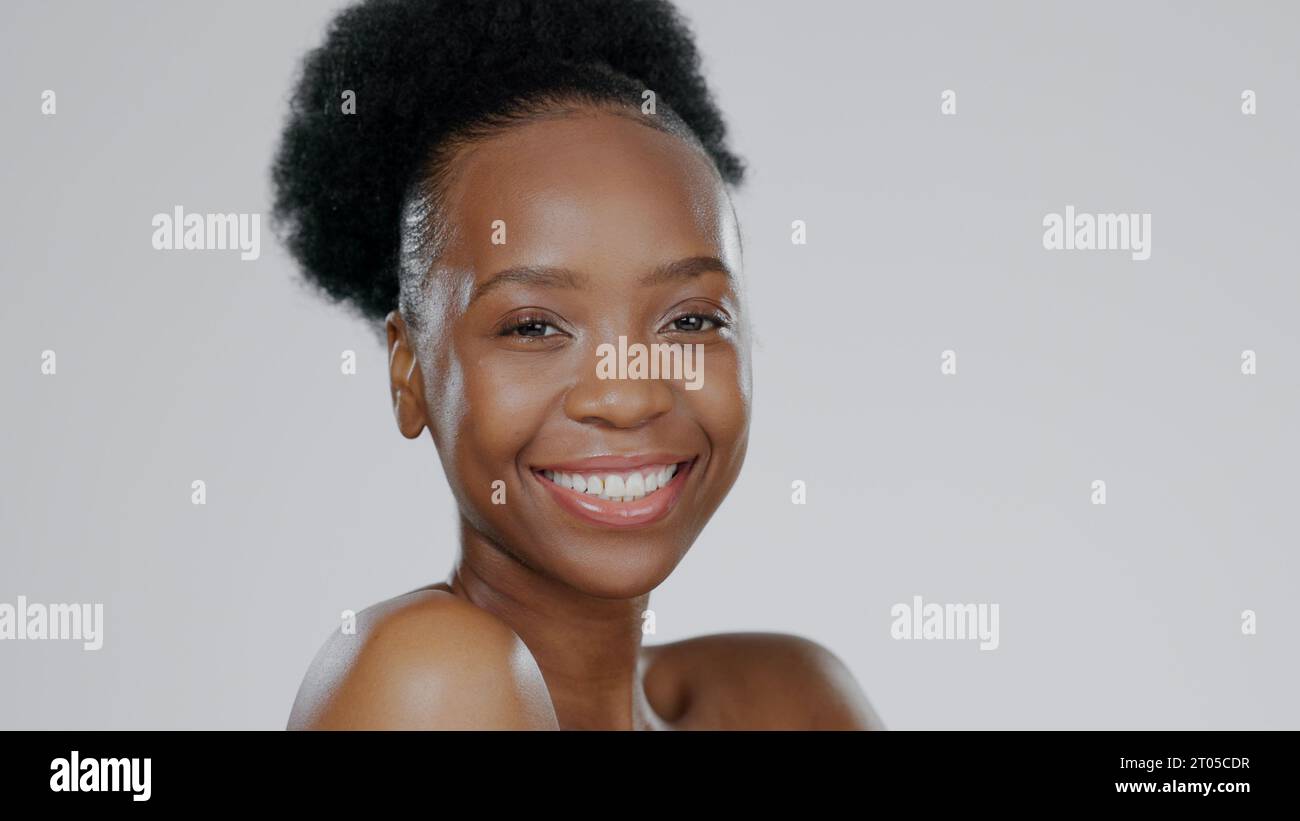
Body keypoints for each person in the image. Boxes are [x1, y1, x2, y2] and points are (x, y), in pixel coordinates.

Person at [273, 0, 883, 730]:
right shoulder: (431, 681)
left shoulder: (789, 699)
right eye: (533, 326)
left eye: (690, 319)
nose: (626, 394)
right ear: (408, 372)